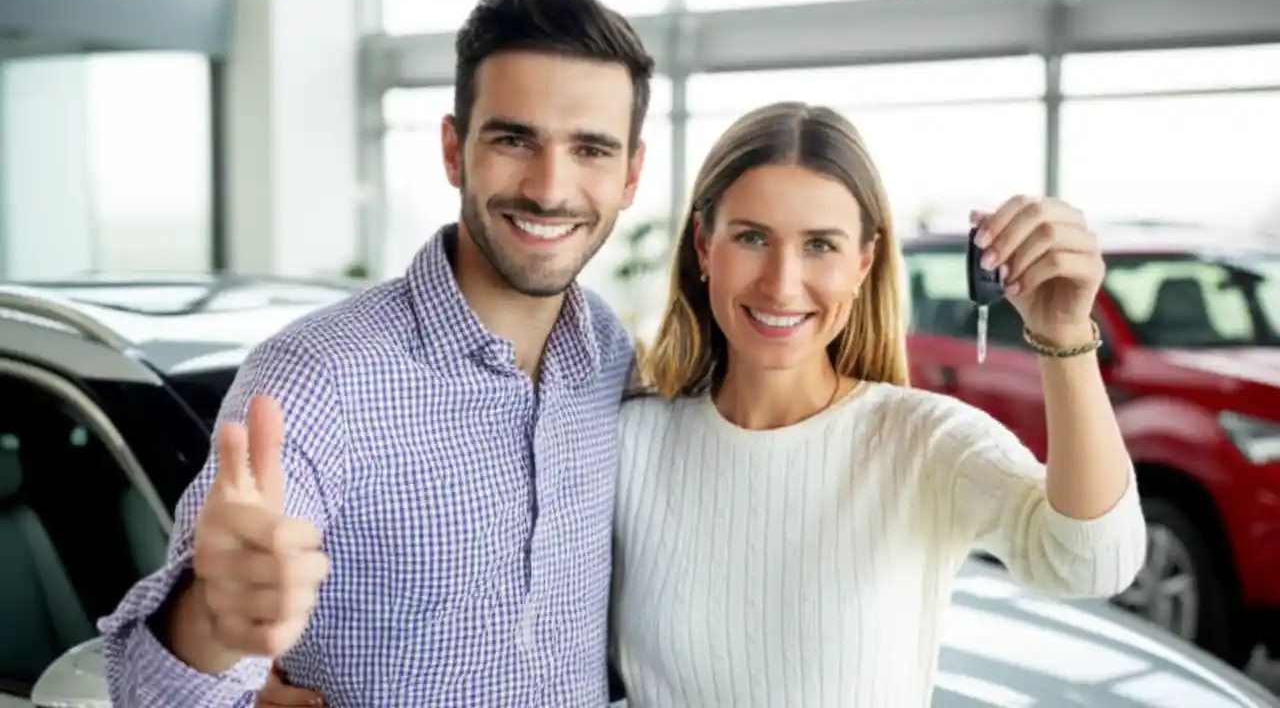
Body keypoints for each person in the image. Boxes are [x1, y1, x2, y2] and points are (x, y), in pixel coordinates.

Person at [258, 101, 1148, 707]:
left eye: (820, 245)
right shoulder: (631, 436)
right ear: (704, 246)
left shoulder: (920, 442)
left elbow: (1093, 561)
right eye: (752, 237)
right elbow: (476, 583)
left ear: (866, 262)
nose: (782, 283)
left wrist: (1063, 334)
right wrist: (268, 670)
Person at [95, 0, 653, 705]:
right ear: (453, 151)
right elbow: (153, 691)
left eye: (590, 149)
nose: (549, 189)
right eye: (513, 140)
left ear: (630, 175)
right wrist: (212, 619)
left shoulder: (610, 356)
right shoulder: (316, 378)